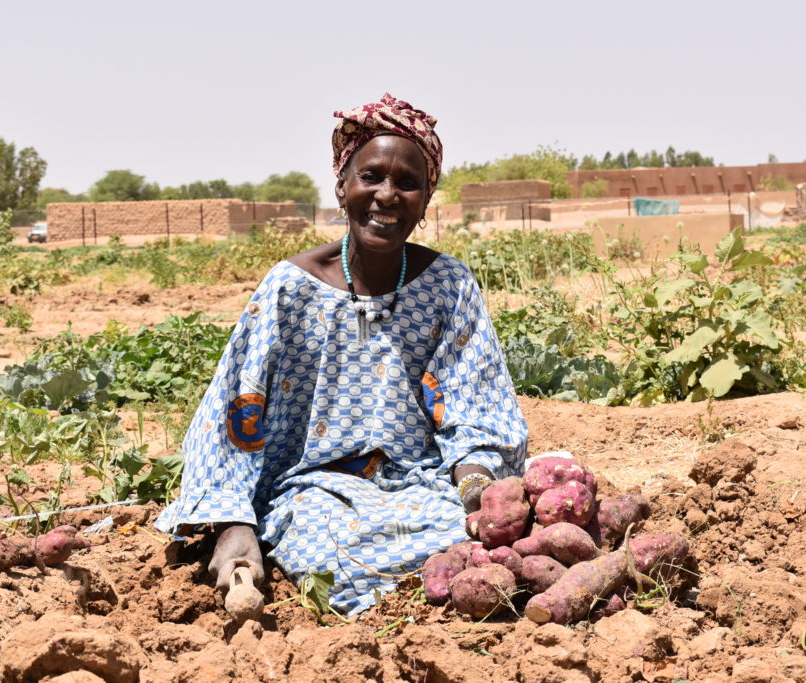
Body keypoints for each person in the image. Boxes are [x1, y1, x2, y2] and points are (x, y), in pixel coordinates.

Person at [156, 93, 528, 615]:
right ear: (342, 185)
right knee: (337, 560)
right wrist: (236, 524)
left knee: (475, 546)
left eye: (408, 183)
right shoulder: (290, 288)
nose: (387, 195)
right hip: (311, 491)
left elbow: (475, 405)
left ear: (426, 200)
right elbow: (238, 412)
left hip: (418, 482)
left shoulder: (449, 286)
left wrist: (479, 494)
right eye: (371, 176)